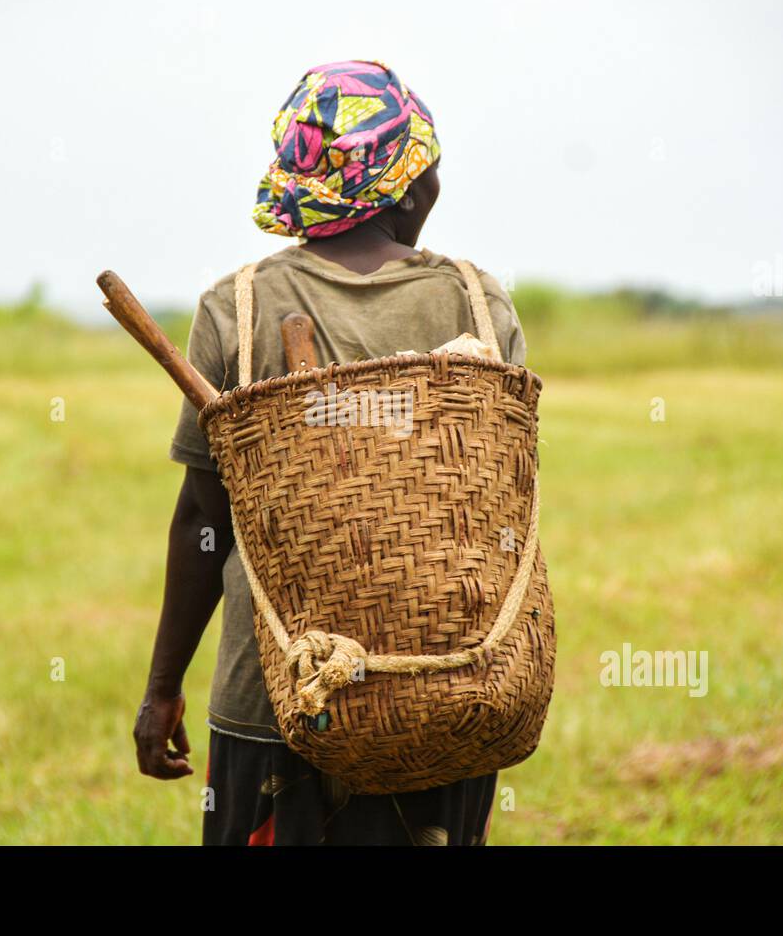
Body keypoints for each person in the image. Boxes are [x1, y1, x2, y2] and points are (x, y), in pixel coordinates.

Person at [133, 60, 528, 845]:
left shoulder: (237, 310)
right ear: (406, 187)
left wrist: (162, 687)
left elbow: (203, 526)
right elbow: (498, 507)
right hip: (449, 691)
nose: (436, 187)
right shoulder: (477, 304)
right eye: (430, 168)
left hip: (273, 698)